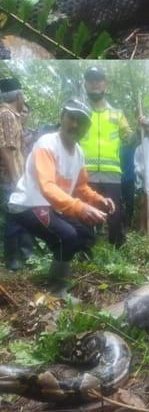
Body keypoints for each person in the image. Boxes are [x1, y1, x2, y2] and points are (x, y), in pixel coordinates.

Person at [8, 99, 115, 299]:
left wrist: (99, 200)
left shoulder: (79, 153)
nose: (75, 125)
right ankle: (57, 292)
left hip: (50, 206)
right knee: (67, 236)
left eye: (81, 122)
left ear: (86, 128)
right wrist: (80, 208)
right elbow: (47, 186)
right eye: (71, 118)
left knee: (85, 234)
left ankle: (64, 262)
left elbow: (81, 186)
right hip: (28, 203)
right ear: (62, 118)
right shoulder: (47, 143)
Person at [78, 67, 134, 247]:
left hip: (111, 172)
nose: (95, 83)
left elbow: (130, 139)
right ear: (85, 85)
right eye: (91, 79)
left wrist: (141, 129)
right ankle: (86, 249)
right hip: (86, 172)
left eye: (99, 79)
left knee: (114, 212)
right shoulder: (80, 112)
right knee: (86, 211)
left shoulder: (117, 114)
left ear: (106, 85)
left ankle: (118, 247)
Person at [0, 77, 34, 270]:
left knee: (21, 214)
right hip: (9, 178)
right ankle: (12, 259)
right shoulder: (6, 115)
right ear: (18, 96)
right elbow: (5, 148)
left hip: (17, 176)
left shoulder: (12, 116)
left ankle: (24, 253)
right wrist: (14, 178)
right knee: (14, 216)